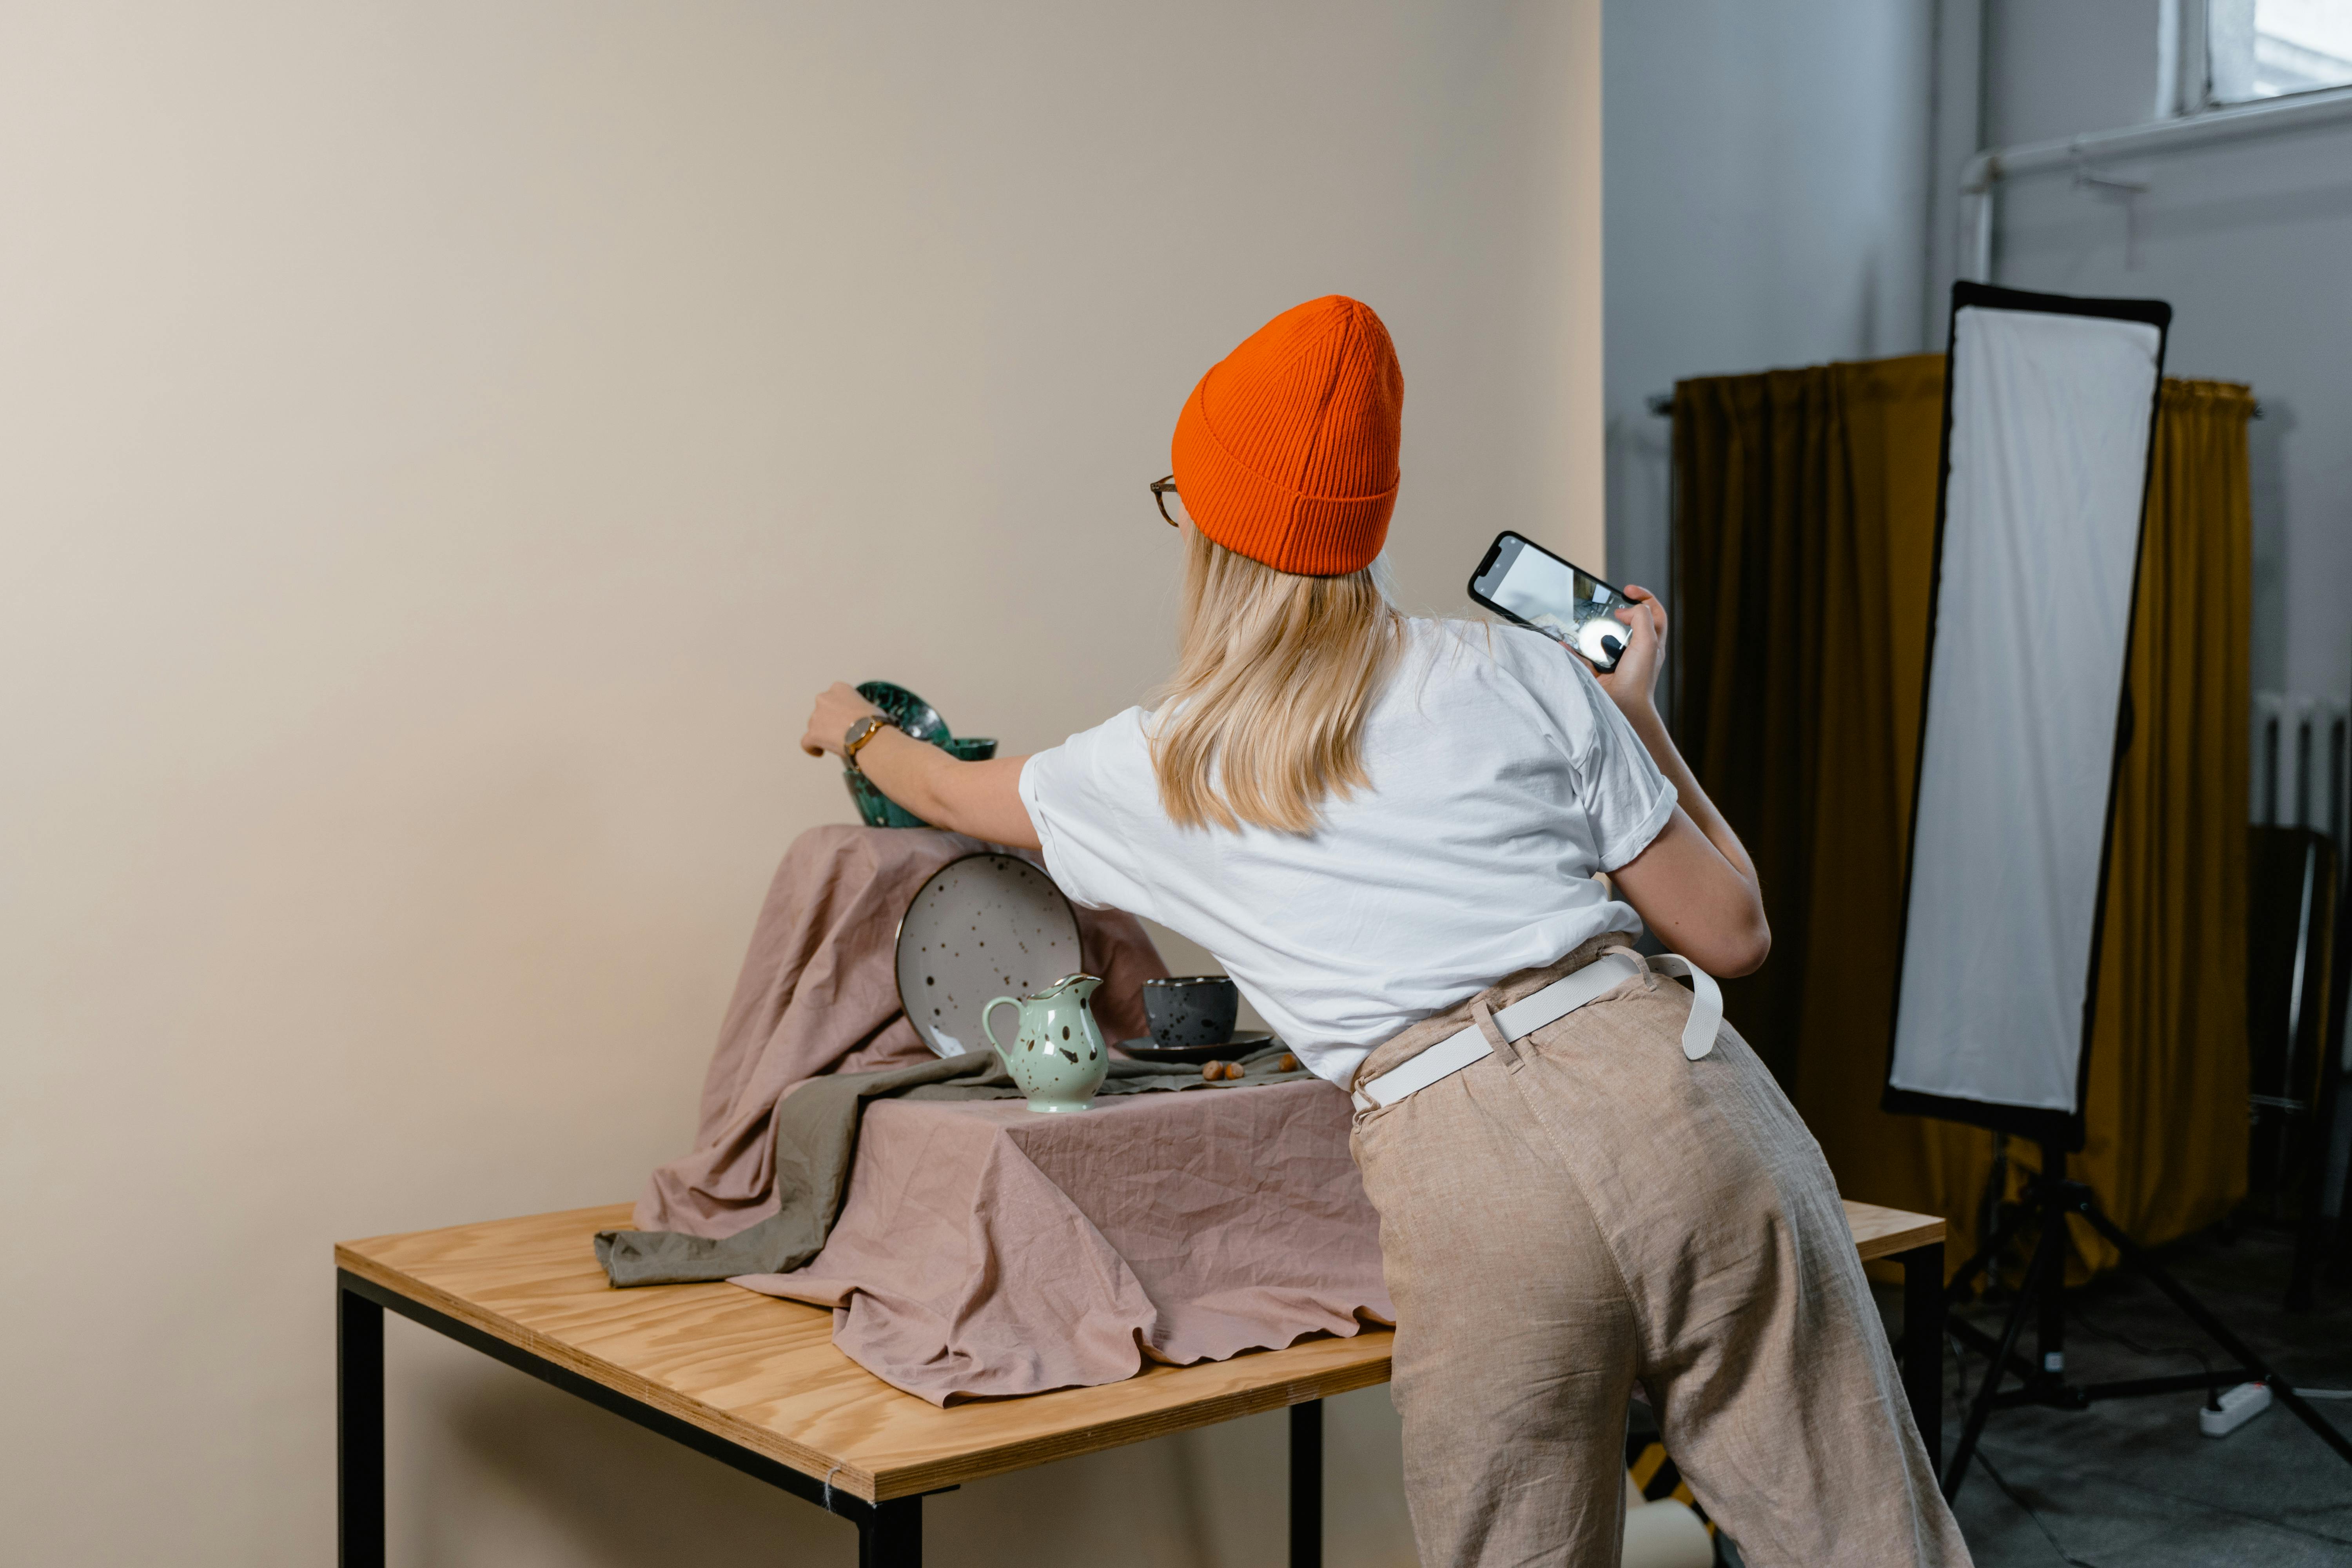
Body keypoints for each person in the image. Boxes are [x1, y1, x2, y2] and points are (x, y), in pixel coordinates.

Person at [801, 296, 1970, 1567]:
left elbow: (942, 790)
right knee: (1867, 1545)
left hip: (1463, 1159)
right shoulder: (1523, 674)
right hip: (1679, 1094)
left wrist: (851, 724)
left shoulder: (1163, 763)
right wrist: (1636, 712)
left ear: (1211, 531)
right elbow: (1733, 931)